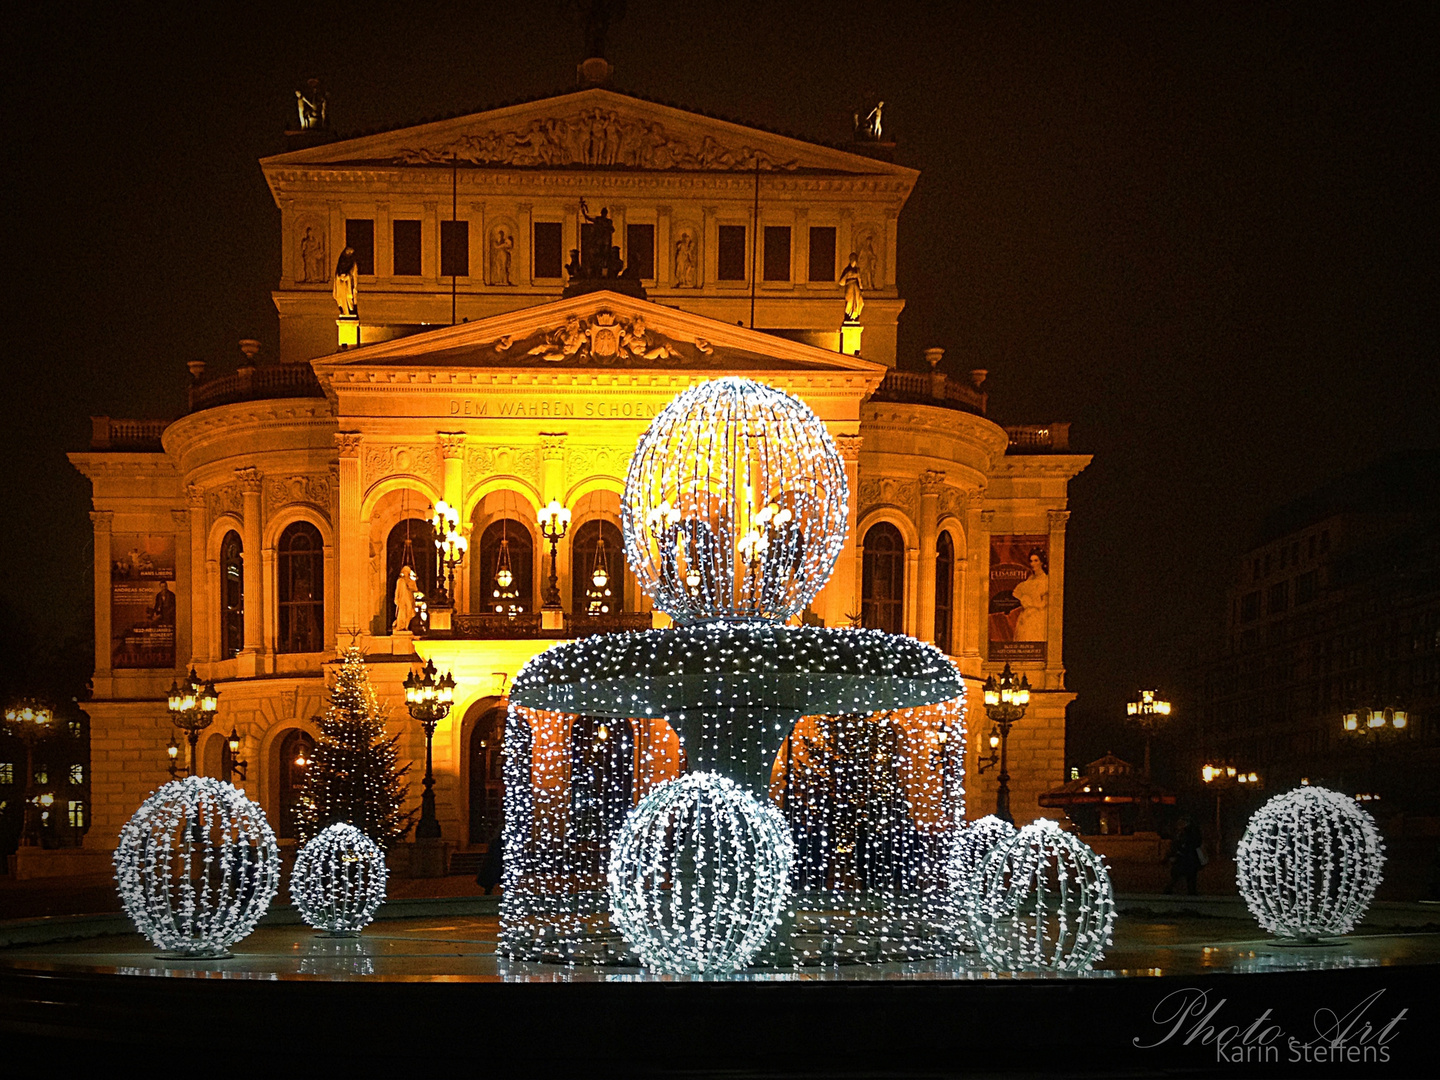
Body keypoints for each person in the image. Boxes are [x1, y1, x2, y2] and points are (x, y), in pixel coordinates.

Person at [1012, 548, 1050, 642]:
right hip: (1025, 617)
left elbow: (1045, 602)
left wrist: (1032, 606)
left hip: (1037, 617)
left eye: (1036, 561)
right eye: (1031, 561)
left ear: (1041, 562)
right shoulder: (1030, 579)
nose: (1033, 564)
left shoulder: (1045, 580)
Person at [1164, 816, 1205, 895]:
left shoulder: (1188, 832)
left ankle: (1170, 890)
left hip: (1186, 858)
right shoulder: (1189, 831)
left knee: (1180, 876)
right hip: (1188, 858)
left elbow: (1189, 844)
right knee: (1188, 877)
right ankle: (1191, 892)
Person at [839, 252, 864, 323]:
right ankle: (849, 316)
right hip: (849, 287)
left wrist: (861, 288)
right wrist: (847, 274)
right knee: (849, 302)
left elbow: (859, 280)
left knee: (860, 302)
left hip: (856, 287)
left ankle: (855, 316)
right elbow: (841, 282)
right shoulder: (847, 270)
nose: (854, 261)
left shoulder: (857, 270)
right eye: (853, 260)